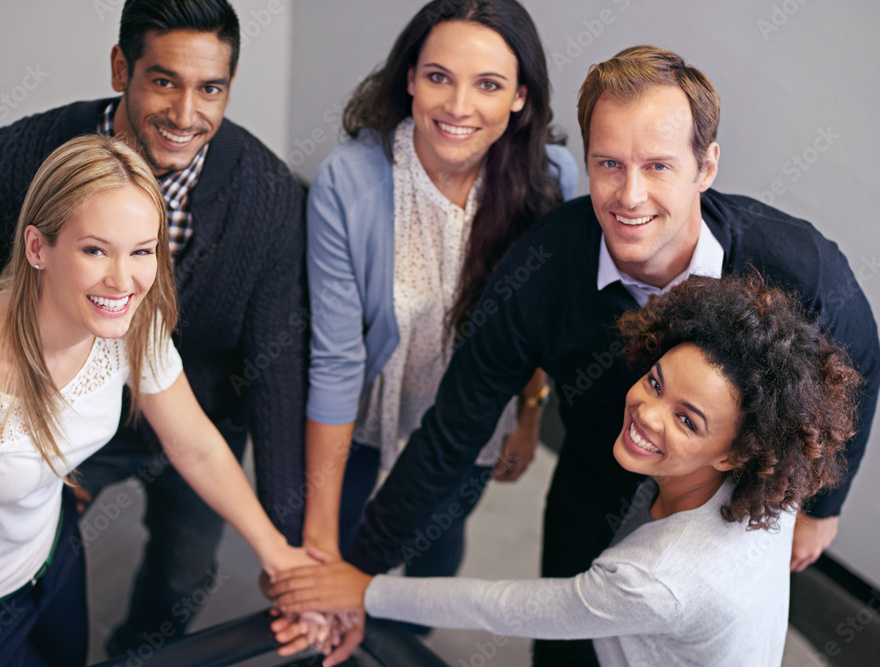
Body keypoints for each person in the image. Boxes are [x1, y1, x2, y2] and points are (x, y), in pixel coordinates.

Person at [336, 45, 880, 666]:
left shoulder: (798, 265)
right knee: (567, 647)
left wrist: (821, 510)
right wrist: (356, 574)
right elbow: (453, 433)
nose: (630, 195)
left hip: (728, 501)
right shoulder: (541, 268)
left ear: (706, 166)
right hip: (597, 470)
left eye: (658, 166)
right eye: (609, 164)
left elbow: (861, 359)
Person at [0, 0, 308, 657]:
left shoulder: (265, 202)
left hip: (201, 413)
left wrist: (288, 547)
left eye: (210, 88)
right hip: (52, 415)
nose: (187, 114)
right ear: (120, 68)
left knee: (182, 577)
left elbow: (271, 375)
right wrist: (25, 427)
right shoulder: (11, 164)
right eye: (163, 81)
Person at [269, 274, 862, 667]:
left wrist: (367, 590)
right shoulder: (770, 484)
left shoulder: (656, 575)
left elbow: (506, 607)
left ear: (734, 454)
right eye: (654, 383)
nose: (645, 416)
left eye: (686, 420)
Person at [300, 0, 577, 624]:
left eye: (487, 85)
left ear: (520, 98)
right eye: (438, 76)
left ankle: (408, 638)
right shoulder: (349, 180)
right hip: (363, 405)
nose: (457, 106)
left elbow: (540, 326)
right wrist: (317, 541)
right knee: (334, 552)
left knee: (433, 557)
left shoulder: (552, 179)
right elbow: (339, 360)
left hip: (471, 416)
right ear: (409, 77)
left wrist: (529, 416)